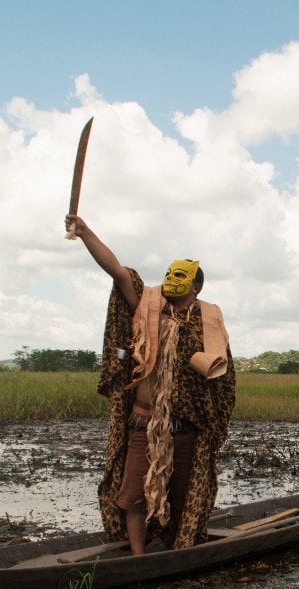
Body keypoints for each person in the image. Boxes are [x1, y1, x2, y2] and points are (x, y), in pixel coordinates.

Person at [65, 214, 236, 554]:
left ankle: (176, 553)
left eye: (180, 277)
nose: (171, 280)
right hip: (144, 422)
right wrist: (85, 233)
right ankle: (139, 558)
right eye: (169, 274)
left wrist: (213, 421)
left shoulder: (208, 322)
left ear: (196, 287)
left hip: (185, 425)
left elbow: (224, 379)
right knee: (134, 495)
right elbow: (118, 271)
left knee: (183, 494)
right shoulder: (148, 308)